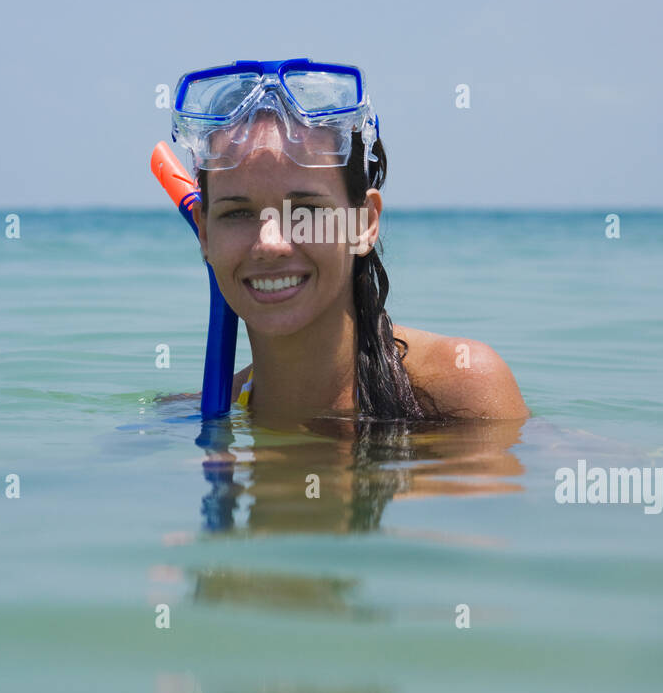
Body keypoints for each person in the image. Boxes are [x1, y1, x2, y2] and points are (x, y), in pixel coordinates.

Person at [170, 58, 528, 424]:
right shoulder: (198, 416)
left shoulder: (459, 393)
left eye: (305, 210)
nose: (270, 244)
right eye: (238, 213)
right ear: (204, 232)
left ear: (364, 222)